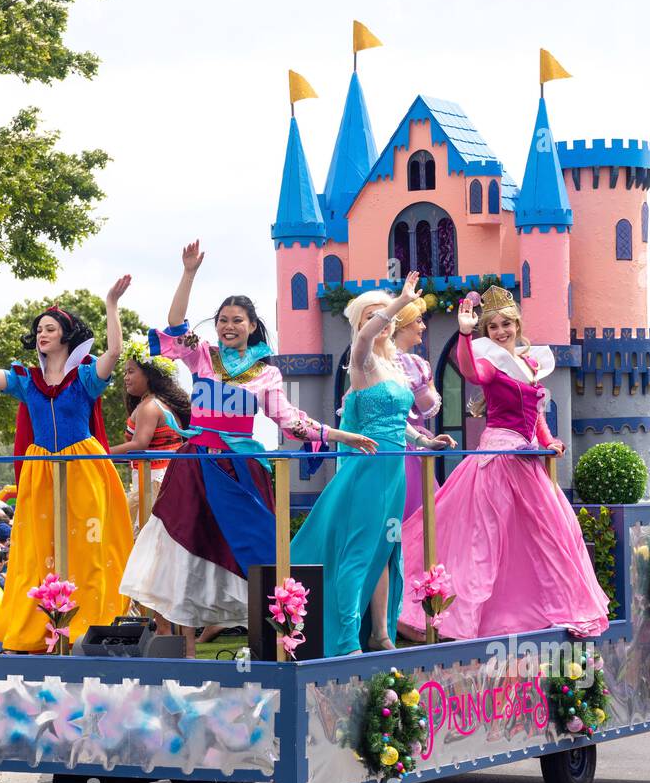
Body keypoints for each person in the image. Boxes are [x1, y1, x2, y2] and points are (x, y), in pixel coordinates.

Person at [119, 241, 373, 649]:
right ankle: (178, 647)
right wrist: (188, 273)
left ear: (253, 325)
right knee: (178, 546)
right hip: (195, 465)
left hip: (239, 470)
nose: (227, 326)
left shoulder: (265, 374)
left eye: (236, 320)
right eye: (222, 320)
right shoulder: (202, 356)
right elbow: (176, 322)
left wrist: (343, 435)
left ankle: (283, 640)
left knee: (258, 548)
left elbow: (293, 422)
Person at [398, 289, 608, 641]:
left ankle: (538, 613)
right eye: (493, 326)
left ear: (517, 324)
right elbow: (470, 371)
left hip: (525, 461)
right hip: (496, 460)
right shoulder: (490, 365)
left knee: (548, 535)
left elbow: (535, 413)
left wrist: (548, 441)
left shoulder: (529, 364)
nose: (500, 331)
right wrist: (465, 333)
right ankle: (470, 619)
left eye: (506, 324)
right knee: (485, 541)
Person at [0, 279, 134, 653]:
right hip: (41, 469)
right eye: (39, 329)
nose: (41, 334)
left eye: (50, 329)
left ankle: (86, 629)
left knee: (87, 550)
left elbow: (115, 351)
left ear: (66, 336)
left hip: (83, 467)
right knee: (37, 550)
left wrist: (111, 303)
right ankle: (42, 629)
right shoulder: (28, 382)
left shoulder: (85, 377)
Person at [293, 278, 454, 655]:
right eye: (370, 317)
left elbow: (398, 421)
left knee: (385, 550)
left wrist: (424, 441)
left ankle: (379, 633)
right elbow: (365, 337)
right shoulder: (361, 362)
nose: (378, 323)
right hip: (367, 469)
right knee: (358, 552)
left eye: (380, 316)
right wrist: (397, 302)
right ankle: (347, 640)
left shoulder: (394, 366)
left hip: (394, 469)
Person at [108, 336, 191, 528]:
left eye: (131, 372)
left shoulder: (149, 406)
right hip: (162, 479)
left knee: (143, 539)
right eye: (125, 372)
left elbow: (139, 444)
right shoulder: (160, 403)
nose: (125, 378)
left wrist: (100, 451)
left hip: (153, 483)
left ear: (149, 375)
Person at [392, 295, 441, 519]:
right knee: (412, 508)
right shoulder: (402, 364)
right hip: (401, 447)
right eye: (418, 321)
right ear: (402, 325)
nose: (422, 326)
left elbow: (430, 409)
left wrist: (422, 383)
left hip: (408, 444)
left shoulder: (417, 364)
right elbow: (428, 406)